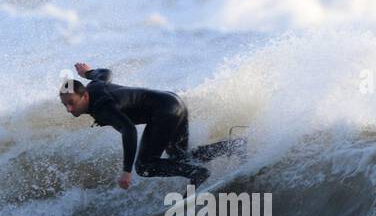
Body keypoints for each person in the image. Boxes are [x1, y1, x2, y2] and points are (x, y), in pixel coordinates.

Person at [58, 62, 242, 188]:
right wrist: (88, 73)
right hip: (173, 102)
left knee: (145, 167)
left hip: (164, 112)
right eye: (65, 104)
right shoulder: (94, 85)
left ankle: (198, 173)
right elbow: (105, 73)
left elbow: (128, 130)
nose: (69, 109)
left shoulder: (102, 107)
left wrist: (127, 171)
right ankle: (232, 146)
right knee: (180, 156)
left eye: (72, 102)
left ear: (85, 96)